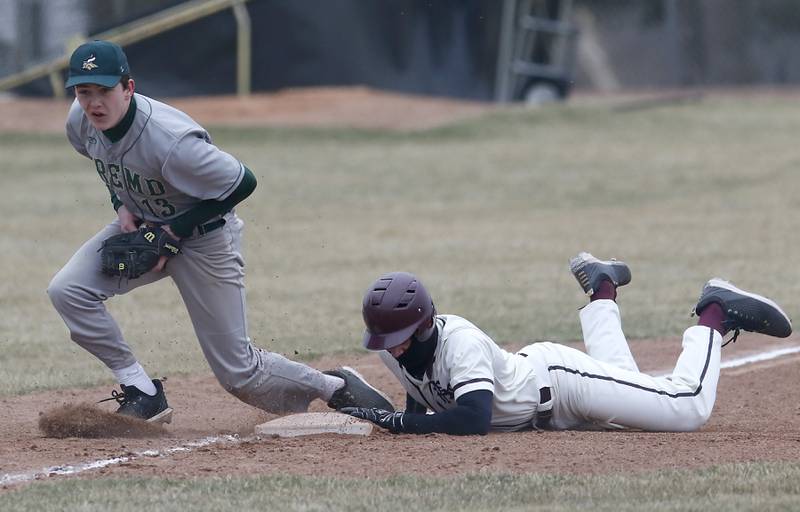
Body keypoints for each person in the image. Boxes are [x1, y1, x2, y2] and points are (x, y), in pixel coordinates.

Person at [47, 40, 392, 423]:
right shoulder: (81, 120)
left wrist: (173, 233)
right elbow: (106, 163)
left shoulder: (171, 142)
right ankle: (141, 390)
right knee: (68, 290)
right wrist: (122, 207)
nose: (94, 102)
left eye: (105, 90)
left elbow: (242, 182)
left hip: (205, 237)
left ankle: (336, 387)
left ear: (128, 88)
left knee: (239, 374)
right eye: (84, 91)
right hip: (145, 225)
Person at [340, 252, 792, 434]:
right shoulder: (390, 347)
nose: (392, 349)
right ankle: (602, 290)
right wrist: (406, 418)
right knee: (634, 387)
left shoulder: (460, 342)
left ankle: (715, 312)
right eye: (386, 340)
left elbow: (474, 419)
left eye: (399, 338)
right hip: (547, 408)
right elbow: (421, 393)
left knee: (684, 407)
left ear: (423, 325)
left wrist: (398, 423)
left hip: (561, 383)